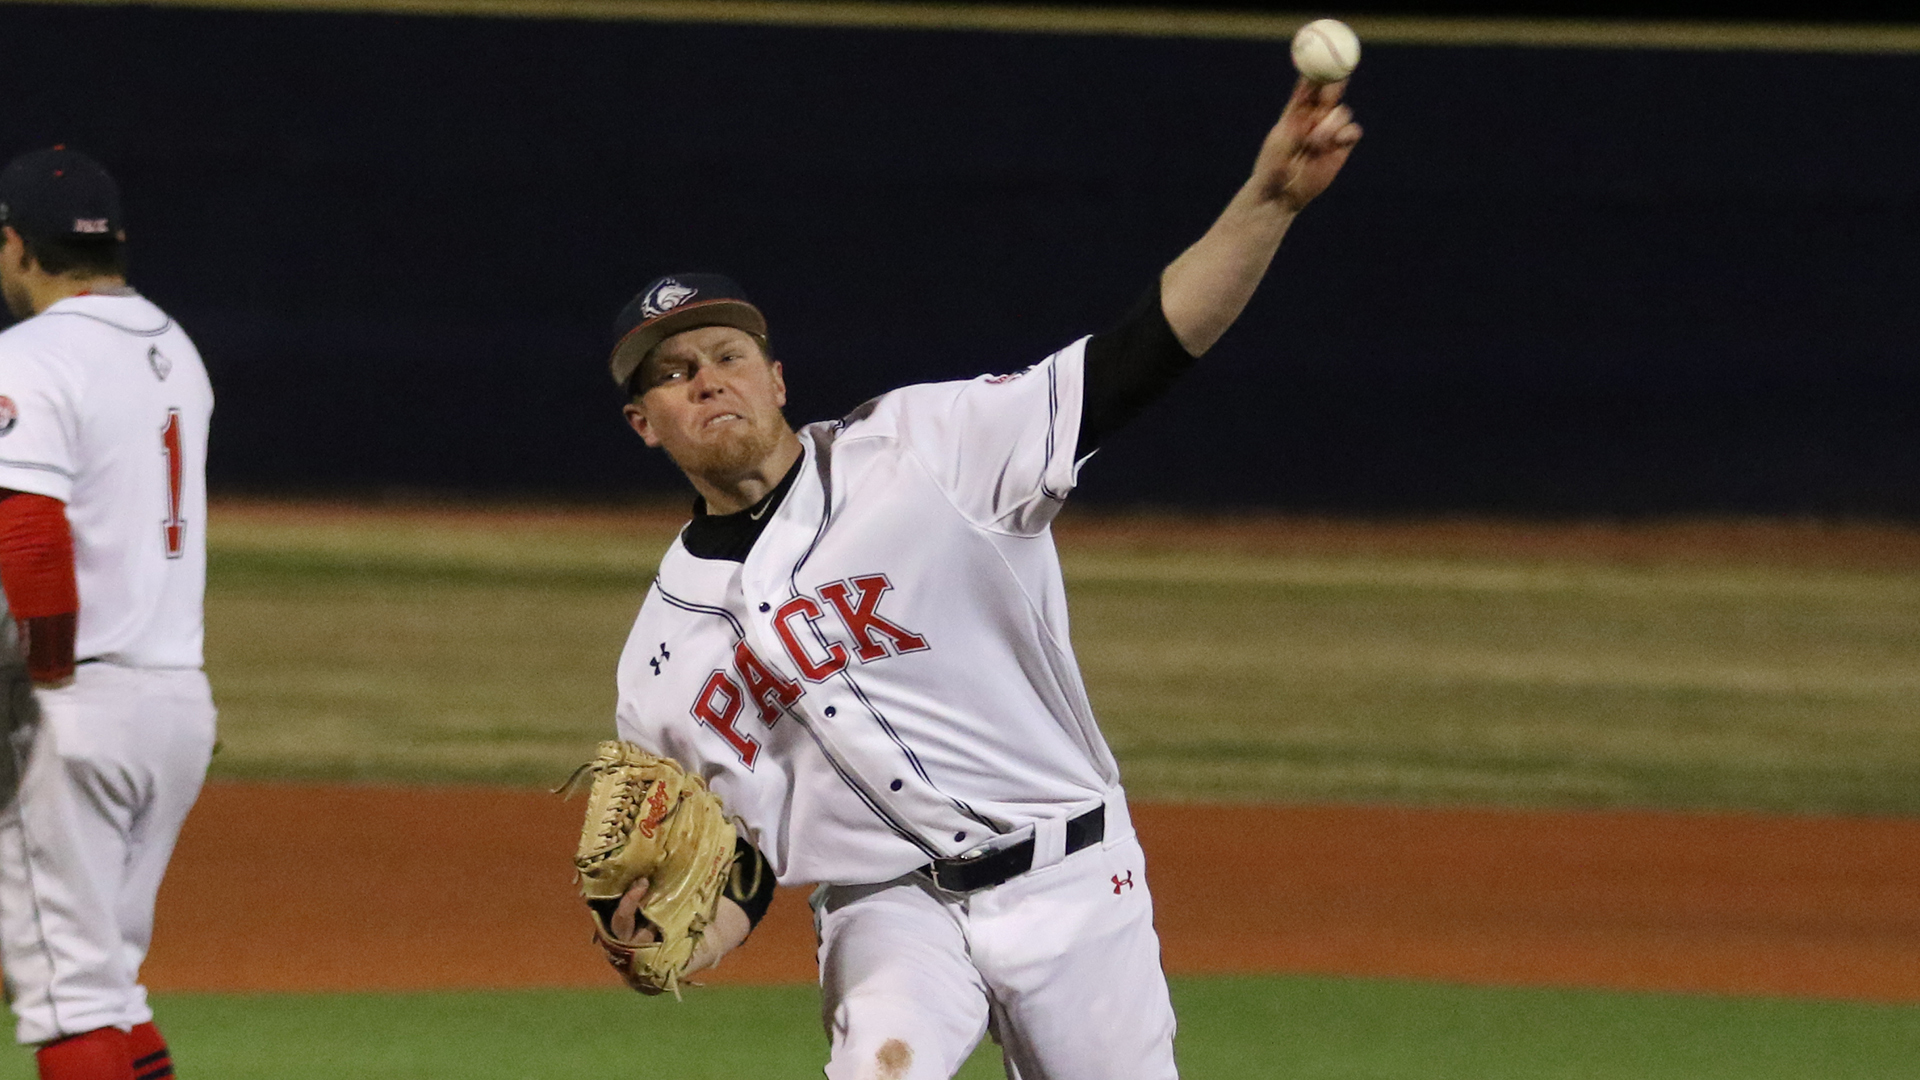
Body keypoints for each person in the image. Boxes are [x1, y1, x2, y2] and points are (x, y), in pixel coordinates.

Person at [601, 78, 1359, 1078]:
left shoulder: (930, 449)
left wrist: (1267, 203)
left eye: (728, 354)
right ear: (644, 424)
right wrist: (672, 941)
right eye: (672, 372)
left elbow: (1144, 351)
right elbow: (732, 855)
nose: (707, 378)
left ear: (776, 379)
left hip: (1072, 878)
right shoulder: (659, 657)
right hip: (889, 912)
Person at [0, 146, 215, 1080]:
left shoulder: (31, 354)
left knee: (68, 1000)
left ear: (15, 246)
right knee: (108, 986)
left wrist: (44, 680)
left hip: (74, 702)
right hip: (174, 705)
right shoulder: (177, 346)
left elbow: (31, 532)